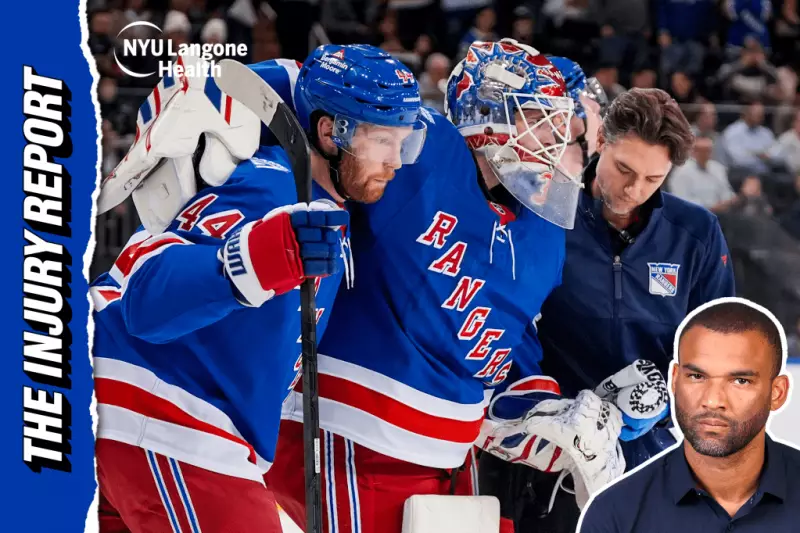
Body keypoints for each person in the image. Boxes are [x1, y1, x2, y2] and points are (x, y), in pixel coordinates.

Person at [265, 40, 625, 533]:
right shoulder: (423, 147)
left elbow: (506, 351)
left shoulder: (547, 240)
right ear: (487, 115)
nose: (557, 140)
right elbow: (306, 85)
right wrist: (206, 96)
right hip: (348, 440)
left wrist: (550, 416)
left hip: (452, 461)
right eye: (540, 120)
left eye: (562, 127)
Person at [90, 44, 426, 532]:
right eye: (382, 141)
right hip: (163, 416)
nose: (397, 161)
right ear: (331, 133)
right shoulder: (270, 187)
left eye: (404, 142)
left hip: (167, 424)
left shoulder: (324, 210)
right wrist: (258, 255)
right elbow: (148, 297)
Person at [483, 87, 737, 533]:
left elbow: (718, 352)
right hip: (545, 456)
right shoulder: (542, 216)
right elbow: (502, 325)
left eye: (653, 179)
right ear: (601, 141)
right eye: (623, 169)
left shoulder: (696, 233)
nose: (634, 189)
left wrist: (665, 404)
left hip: (651, 456)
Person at [578, 298, 798, 532]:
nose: (712, 401)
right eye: (696, 377)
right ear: (674, 380)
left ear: (777, 393)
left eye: (740, 381)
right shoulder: (615, 514)